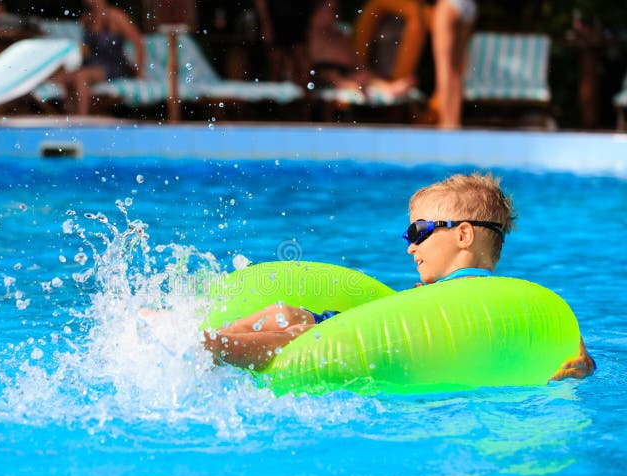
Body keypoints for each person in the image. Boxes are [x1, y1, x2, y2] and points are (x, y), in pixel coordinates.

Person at [204, 172, 596, 381]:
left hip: (370, 350)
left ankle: (211, 346)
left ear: (463, 235)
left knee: (297, 330)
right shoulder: (433, 297)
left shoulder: (494, 299)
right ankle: (207, 336)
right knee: (287, 313)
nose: (410, 246)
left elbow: (561, 340)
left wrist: (580, 361)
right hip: (378, 338)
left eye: (419, 232)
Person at [307, 0, 416, 98]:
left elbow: (355, 60)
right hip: (323, 72)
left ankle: (388, 88)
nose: (335, 15)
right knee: (333, 77)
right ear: (316, 11)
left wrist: (361, 70)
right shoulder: (311, 35)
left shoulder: (340, 35)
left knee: (364, 76)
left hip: (346, 71)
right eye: (330, 10)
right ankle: (354, 87)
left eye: (335, 10)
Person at [58, 0, 145, 115]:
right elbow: (89, 49)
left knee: (81, 76)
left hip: (113, 65)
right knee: (64, 78)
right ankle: (71, 117)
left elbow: (138, 43)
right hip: (91, 64)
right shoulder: (87, 18)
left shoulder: (115, 16)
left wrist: (139, 71)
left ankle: (82, 119)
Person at [429, 0, 477, 128]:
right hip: (469, 6)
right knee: (456, 70)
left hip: (449, 5)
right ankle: (455, 122)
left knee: (444, 67)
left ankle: (446, 123)